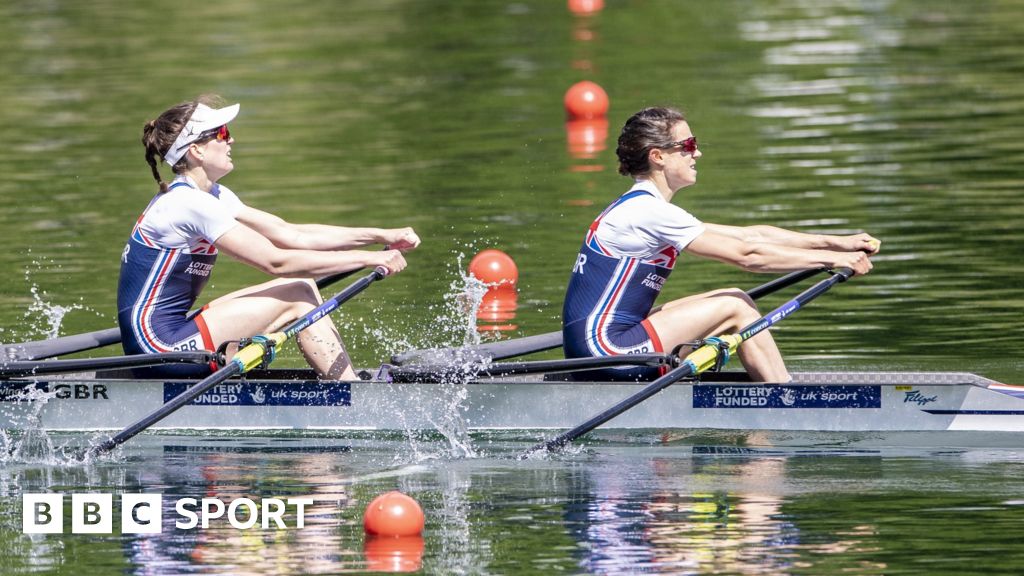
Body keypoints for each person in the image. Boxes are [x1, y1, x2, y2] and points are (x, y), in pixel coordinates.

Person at [562, 106, 878, 383]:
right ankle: (783, 395)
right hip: (608, 351)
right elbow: (748, 256)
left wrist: (836, 244)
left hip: (600, 345)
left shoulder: (643, 207)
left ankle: (768, 388)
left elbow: (750, 236)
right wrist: (830, 261)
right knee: (736, 307)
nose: (696, 153)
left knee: (732, 298)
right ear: (658, 156)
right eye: (687, 145)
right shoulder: (647, 212)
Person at [118, 95, 419, 380]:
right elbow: (276, 261)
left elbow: (291, 235)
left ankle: (346, 383)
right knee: (298, 295)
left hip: (173, 332)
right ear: (196, 149)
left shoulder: (212, 195)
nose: (231, 140)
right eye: (222, 133)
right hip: (157, 348)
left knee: (301, 287)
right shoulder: (189, 204)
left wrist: (382, 235)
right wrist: (371, 258)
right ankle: (351, 395)